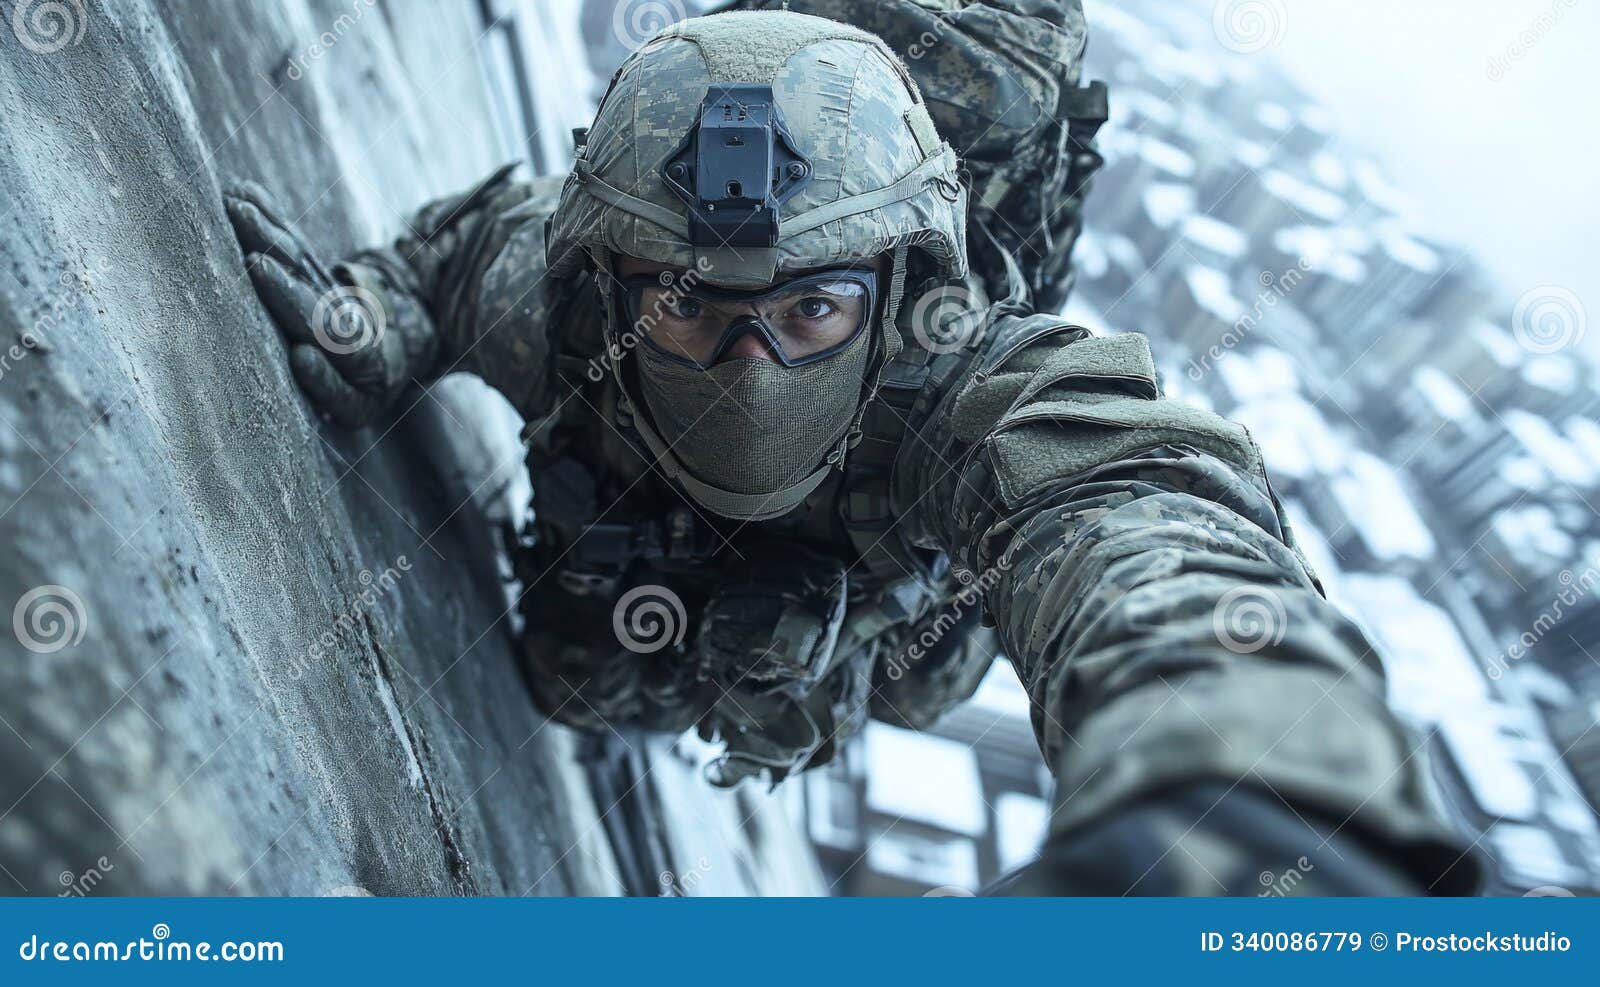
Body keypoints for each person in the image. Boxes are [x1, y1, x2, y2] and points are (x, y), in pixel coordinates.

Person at [224, 1, 1477, 894]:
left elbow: (1132, 502)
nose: (752, 360)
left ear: (896, 292)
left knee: (911, 677)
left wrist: (1238, 770)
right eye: (695, 307)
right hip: (644, 548)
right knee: (580, 673)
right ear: (618, 289)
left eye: (810, 308)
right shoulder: (561, 296)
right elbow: (454, 260)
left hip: (877, 604)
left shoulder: (958, 379)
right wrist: (377, 322)